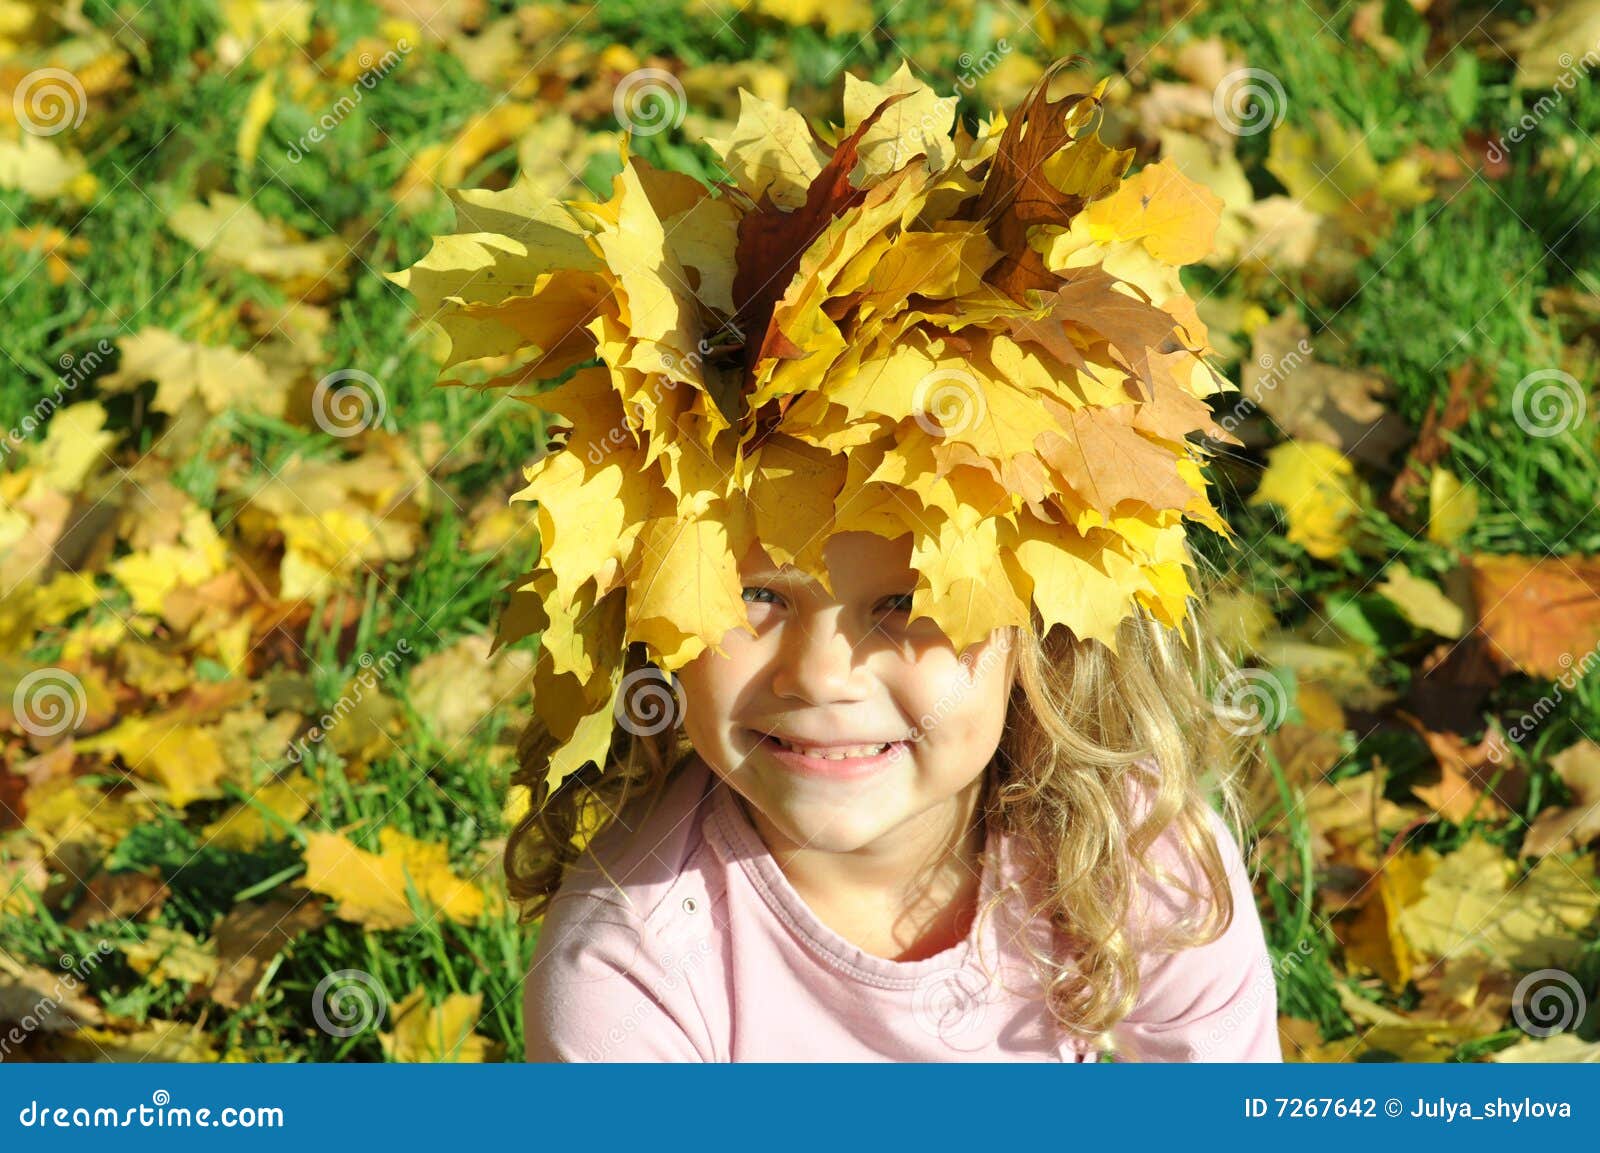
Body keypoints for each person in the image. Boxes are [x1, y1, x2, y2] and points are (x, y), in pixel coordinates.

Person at [392, 55, 1284, 1062]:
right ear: (648, 603)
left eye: (903, 603)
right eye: (755, 594)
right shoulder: (634, 966)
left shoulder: (1136, 857)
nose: (820, 673)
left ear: (1040, 625)